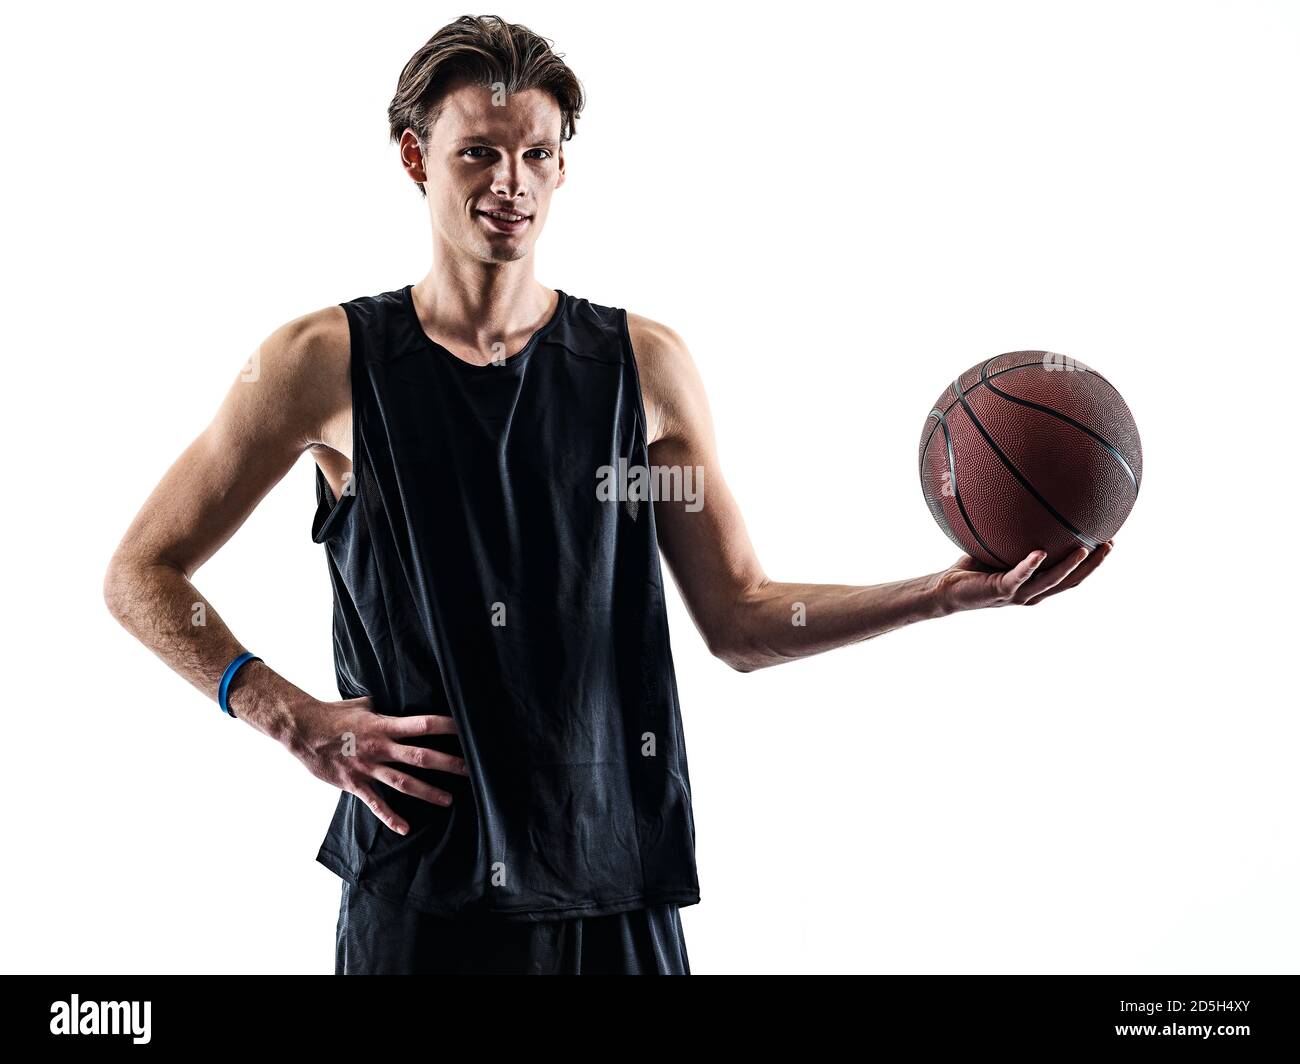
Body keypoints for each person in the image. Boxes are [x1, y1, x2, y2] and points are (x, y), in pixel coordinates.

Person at [102, 15, 1112, 976]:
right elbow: (141, 570)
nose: (512, 182)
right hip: (420, 883)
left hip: (615, 881)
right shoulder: (322, 364)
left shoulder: (643, 366)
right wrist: (288, 713)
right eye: (479, 152)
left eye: (537, 153)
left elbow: (741, 618)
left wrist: (942, 591)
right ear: (414, 157)